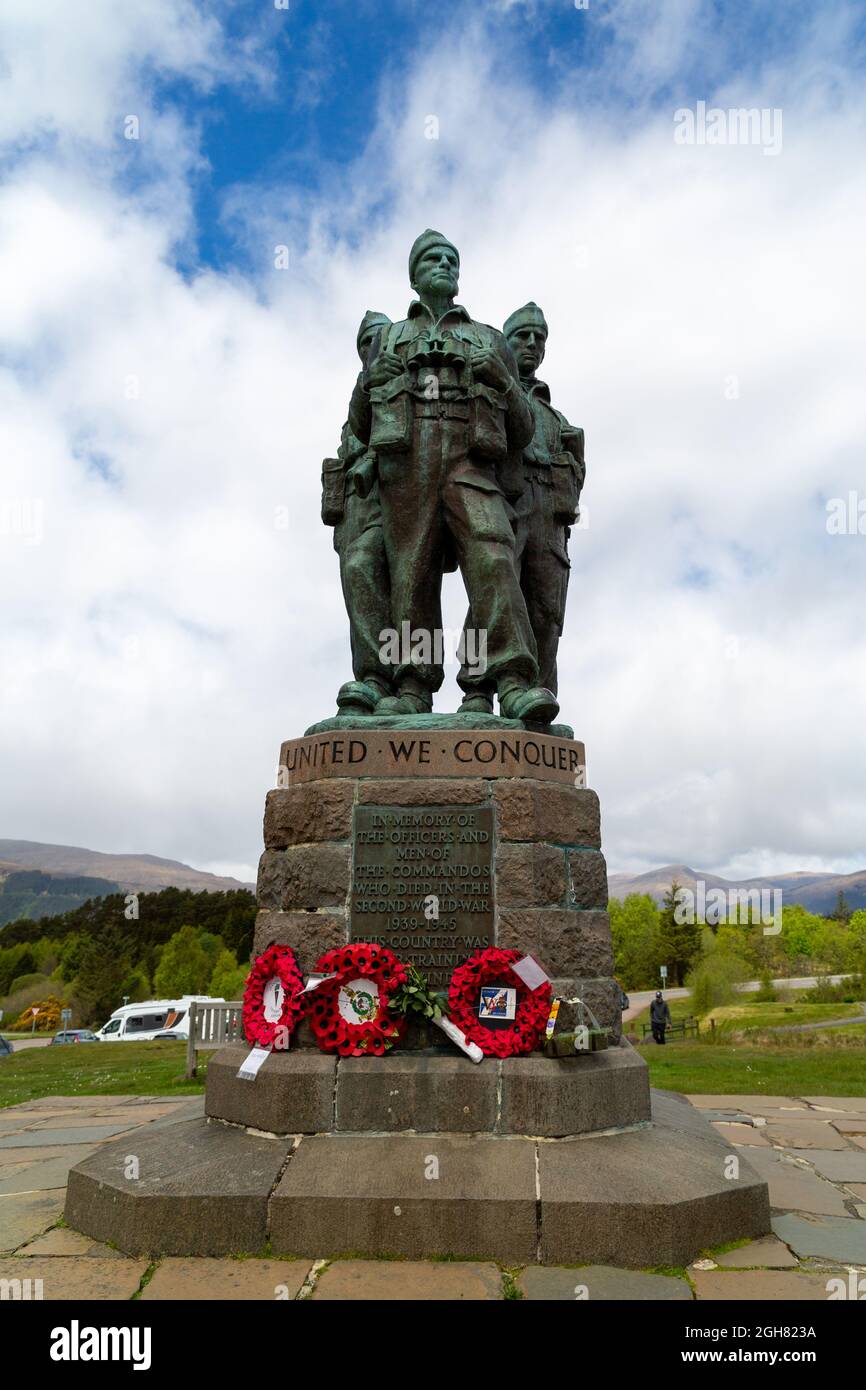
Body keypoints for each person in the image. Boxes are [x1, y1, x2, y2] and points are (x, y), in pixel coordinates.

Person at [348, 230, 558, 723]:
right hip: (407, 466)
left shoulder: (488, 338)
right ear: (414, 275)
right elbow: (361, 423)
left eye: (451, 259)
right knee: (411, 576)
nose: (443, 265)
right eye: (432, 259)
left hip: (470, 464)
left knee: (493, 557)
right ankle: (414, 686)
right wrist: (365, 384)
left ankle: (513, 680)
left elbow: (523, 433)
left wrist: (505, 382)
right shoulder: (391, 337)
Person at [459, 302, 585, 710]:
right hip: (507, 500)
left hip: (550, 513)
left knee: (547, 612)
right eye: (522, 336)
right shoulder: (488, 389)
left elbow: (577, 471)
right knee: (493, 591)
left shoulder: (556, 416)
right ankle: (477, 689)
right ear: (505, 343)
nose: (532, 344)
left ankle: (540, 694)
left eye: (539, 338)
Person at [321, 311, 395, 715]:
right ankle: (374, 681)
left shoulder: (400, 387)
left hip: (394, 502)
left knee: (374, 573)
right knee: (359, 588)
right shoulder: (361, 396)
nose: (374, 346)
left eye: (380, 337)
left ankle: (394, 679)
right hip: (354, 510)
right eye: (367, 341)